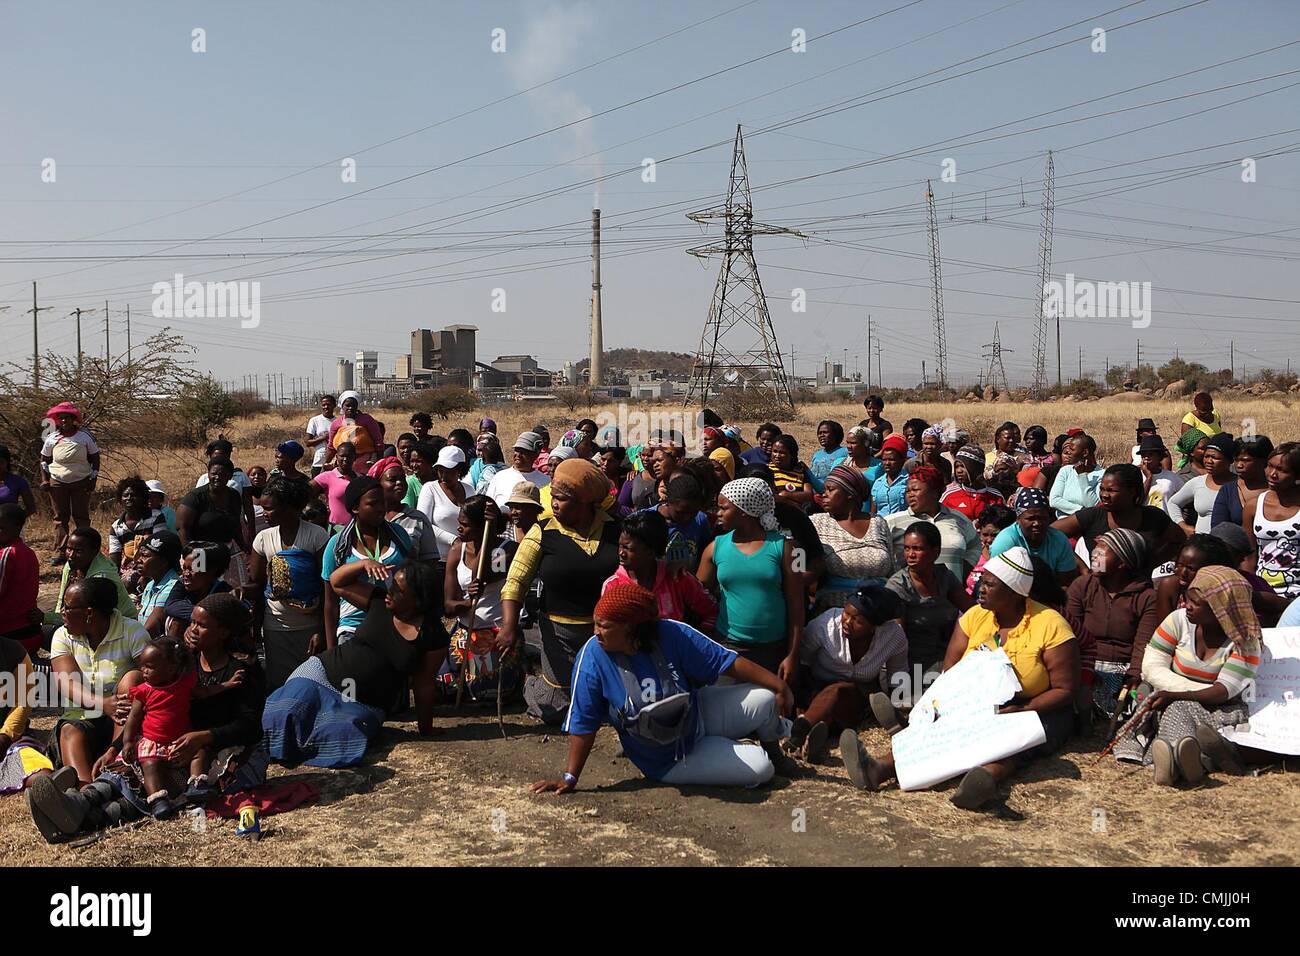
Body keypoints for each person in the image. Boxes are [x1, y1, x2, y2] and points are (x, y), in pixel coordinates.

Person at [842, 547, 1079, 810]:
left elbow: (1064, 689)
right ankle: (880, 768)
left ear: (1013, 592)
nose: (980, 588)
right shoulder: (975, 617)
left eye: (989, 584)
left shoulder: (1050, 624)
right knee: (945, 726)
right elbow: (951, 670)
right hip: (977, 697)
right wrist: (951, 706)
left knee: (1013, 737)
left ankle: (986, 779)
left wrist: (1023, 708)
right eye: (981, 582)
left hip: (1037, 705)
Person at [533, 580, 801, 793]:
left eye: (604, 626)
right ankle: (737, 749)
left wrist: (780, 686)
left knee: (765, 698)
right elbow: (584, 723)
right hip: (669, 756)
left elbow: (727, 662)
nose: (595, 632)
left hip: (696, 716)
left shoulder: (671, 632)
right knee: (760, 769)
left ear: (630, 628)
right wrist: (570, 777)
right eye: (596, 624)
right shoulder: (592, 657)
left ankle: (774, 749)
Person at [264, 560, 448, 767]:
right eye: (392, 584)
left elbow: (424, 684)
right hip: (322, 673)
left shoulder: (433, 635)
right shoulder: (378, 601)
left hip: (359, 699)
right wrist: (364, 564)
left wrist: (426, 729)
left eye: (399, 590)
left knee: (341, 734)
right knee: (286, 711)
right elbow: (337, 582)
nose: (390, 591)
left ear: (418, 600)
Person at [496, 459, 621, 723]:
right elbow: (516, 581)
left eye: (561, 499)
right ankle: (531, 683)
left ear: (584, 501)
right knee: (559, 709)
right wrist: (508, 626)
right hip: (559, 634)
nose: (553, 503)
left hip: (608, 634)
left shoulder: (615, 529)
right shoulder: (542, 532)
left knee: (608, 706)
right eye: (552, 496)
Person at [1114, 567, 1259, 787]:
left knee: (1178, 708)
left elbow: (1223, 691)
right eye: (1187, 598)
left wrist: (1177, 695)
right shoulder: (1178, 620)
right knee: (1158, 700)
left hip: (1220, 707)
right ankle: (1195, 759)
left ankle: (1170, 761)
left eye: (1196, 603)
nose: (1187, 606)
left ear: (1220, 609)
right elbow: (1152, 664)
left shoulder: (1246, 642)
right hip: (1167, 695)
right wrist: (1174, 694)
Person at [697, 477, 804, 682]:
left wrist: (792, 655)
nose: (717, 513)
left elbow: (797, 606)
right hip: (728, 647)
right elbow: (697, 594)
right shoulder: (715, 547)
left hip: (773, 650)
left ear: (744, 510)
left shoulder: (787, 548)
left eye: (724, 508)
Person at [47, 578, 148, 784]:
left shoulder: (132, 632)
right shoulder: (62, 636)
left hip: (125, 726)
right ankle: (84, 792)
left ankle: (115, 762)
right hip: (82, 722)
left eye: (67, 608)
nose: (62, 613)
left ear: (89, 613)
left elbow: (153, 677)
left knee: (134, 678)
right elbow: (67, 684)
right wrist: (103, 704)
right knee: (69, 730)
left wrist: (113, 745)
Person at [790, 585, 908, 761]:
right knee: (830, 697)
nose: (846, 622)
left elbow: (897, 677)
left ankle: (803, 730)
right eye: (846, 614)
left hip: (857, 695)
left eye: (857, 621)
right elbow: (803, 662)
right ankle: (811, 734)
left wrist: (898, 713)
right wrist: (801, 699)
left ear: (874, 627)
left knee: (840, 691)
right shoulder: (825, 625)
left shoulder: (893, 636)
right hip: (816, 689)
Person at [1065, 528, 1158, 720]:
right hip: (1086, 665)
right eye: (1095, 549)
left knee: (1141, 698)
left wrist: (1133, 675)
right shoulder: (1082, 586)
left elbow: (1143, 644)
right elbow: (1070, 635)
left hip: (1124, 669)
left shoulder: (1146, 597)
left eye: (1102, 551)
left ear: (1122, 563)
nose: (1094, 555)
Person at [249, 476, 330, 689]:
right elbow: (256, 585)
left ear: (289, 508)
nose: (264, 513)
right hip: (275, 626)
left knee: (311, 682)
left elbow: (326, 587)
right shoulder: (263, 538)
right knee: (278, 683)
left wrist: (321, 630)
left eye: (269, 508)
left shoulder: (317, 536)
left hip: (309, 625)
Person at [322, 476, 412, 645]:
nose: (381, 509)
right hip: (353, 629)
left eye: (382, 502)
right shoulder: (337, 545)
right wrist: (332, 650)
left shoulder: (399, 535)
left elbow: (413, 578)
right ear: (355, 508)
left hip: (395, 626)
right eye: (373, 504)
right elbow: (330, 603)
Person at [1054, 464, 1185, 573]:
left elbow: (1179, 541)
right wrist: (1082, 568)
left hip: (1139, 592)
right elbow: (1050, 534)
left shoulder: (1153, 517)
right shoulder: (1092, 516)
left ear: (1132, 491)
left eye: (1112, 490)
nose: (1104, 495)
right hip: (1099, 590)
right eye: (1102, 489)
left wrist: (1153, 564)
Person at [603, 510, 718, 633]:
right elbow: (608, 631)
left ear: (650, 551)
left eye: (628, 548)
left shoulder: (677, 577)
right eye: (620, 546)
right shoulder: (613, 586)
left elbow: (712, 611)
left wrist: (695, 642)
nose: (621, 553)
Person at [886, 521, 974, 674]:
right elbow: (897, 638)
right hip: (914, 664)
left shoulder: (944, 576)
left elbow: (973, 611)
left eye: (918, 549)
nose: (910, 555)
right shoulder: (898, 586)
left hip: (949, 655)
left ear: (935, 552)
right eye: (907, 548)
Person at [120, 637, 199, 806]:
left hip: (180, 740)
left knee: (200, 753)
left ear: (171, 669)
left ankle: (197, 784)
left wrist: (227, 684)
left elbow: (202, 686)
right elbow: (133, 718)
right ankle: (157, 799)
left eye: (150, 667)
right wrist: (127, 741)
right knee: (150, 766)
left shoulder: (183, 684)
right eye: (142, 666)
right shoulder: (143, 691)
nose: (144, 671)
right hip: (152, 742)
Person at [809, 464, 894, 614]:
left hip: (877, 612)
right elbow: (802, 567)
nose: (823, 494)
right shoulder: (817, 523)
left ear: (849, 494)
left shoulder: (878, 522)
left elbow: (893, 570)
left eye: (830, 489)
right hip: (833, 612)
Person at [884, 466, 981, 584]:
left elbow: (975, 545)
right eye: (907, 491)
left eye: (915, 490)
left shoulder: (958, 519)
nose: (910, 495)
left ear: (934, 492)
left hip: (952, 597)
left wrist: (962, 570)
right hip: (910, 598)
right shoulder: (891, 522)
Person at [40, 402, 100, 562]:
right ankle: (61, 552)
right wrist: (45, 480)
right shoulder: (52, 437)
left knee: (81, 516)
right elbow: (44, 460)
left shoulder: (84, 436)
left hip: (81, 480)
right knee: (60, 517)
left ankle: (85, 549)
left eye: (67, 418)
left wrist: (93, 477)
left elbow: (95, 457)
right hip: (57, 481)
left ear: (74, 419)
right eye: (61, 419)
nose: (64, 421)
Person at [444, 494, 514, 632]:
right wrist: (468, 602)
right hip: (465, 632)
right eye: (459, 523)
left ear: (482, 527)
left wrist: (489, 532)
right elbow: (448, 607)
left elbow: (481, 576)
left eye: (465, 525)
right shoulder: (457, 551)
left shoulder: (507, 550)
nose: (459, 529)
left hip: (497, 632)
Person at [45, 527, 138, 626]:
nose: (71, 555)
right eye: (69, 549)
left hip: (119, 626)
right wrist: (52, 622)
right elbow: (61, 600)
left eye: (78, 551)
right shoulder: (71, 565)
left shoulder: (102, 577)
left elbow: (90, 617)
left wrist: (46, 618)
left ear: (94, 552)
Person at [991, 488, 1081, 588]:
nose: (1037, 523)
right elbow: (997, 582)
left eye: (1042, 518)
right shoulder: (1005, 541)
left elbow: (1066, 581)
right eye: (1030, 518)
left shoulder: (1059, 540)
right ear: (1018, 519)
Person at [1244, 442, 1300, 602]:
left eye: (1282, 470)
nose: (1272, 474)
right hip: (1263, 593)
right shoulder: (1253, 506)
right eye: (1270, 466)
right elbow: (1249, 555)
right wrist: (1253, 588)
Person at [1166, 432, 1235, 533]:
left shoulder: (1239, 484)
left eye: (1215, 458)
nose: (1209, 461)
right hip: (1202, 544)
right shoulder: (1197, 483)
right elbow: (1173, 503)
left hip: (1230, 545)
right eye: (1207, 456)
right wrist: (1183, 526)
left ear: (1229, 460)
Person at [163, 542, 234, 639]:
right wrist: (201, 615)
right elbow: (170, 606)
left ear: (211, 571)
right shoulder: (181, 585)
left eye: (192, 569)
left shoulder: (223, 592)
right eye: (184, 569)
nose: (186, 574)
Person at [416, 445, 474, 563]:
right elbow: (424, 524)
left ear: (460, 470)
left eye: (448, 472)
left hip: (465, 558)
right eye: (440, 471)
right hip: (438, 560)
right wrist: (453, 540)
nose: (443, 476)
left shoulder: (469, 490)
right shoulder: (430, 489)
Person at [376, 458, 439, 564]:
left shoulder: (418, 519)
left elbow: (430, 563)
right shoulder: (370, 518)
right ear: (378, 484)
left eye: (402, 479)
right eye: (392, 479)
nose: (399, 483)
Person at [646, 473, 712, 573]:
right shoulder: (646, 520)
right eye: (681, 512)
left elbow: (705, 557)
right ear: (668, 501)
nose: (687, 517)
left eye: (693, 512)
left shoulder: (700, 520)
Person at [178, 455, 248, 550]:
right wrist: (192, 556)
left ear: (230, 476)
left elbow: (235, 526)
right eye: (213, 474)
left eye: (222, 474)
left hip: (225, 551)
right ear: (208, 474)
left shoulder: (234, 496)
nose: (217, 477)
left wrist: (244, 547)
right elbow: (182, 529)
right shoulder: (194, 497)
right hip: (199, 553)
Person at [0, 503, 41, 653]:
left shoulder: (8, 554)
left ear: (18, 528)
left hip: (10, 634)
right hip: (28, 629)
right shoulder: (28, 552)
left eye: (2, 528)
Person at [108, 477, 166, 580]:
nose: (129, 498)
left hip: (154, 568)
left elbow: (159, 549)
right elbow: (114, 560)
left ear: (143, 497)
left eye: (133, 495)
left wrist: (144, 574)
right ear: (120, 499)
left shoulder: (156, 517)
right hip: (129, 572)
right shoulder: (116, 527)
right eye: (125, 495)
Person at [1212, 435, 1273, 530]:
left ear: (1264, 461)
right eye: (1236, 460)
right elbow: (1218, 528)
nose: (1239, 465)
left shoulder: (1279, 489)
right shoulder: (1228, 490)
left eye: (1246, 460)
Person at [134, 530, 182, 638]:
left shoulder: (172, 587)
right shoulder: (150, 585)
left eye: (145, 556)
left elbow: (150, 629)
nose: (138, 560)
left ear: (163, 562)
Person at [484, 431, 551, 508]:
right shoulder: (500, 477)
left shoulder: (545, 482)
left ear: (536, 454)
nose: (518, 455)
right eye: (516, 450)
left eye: (524, 451)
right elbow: (488, 506)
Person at [941, 444, 1004, 522]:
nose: (959, 471)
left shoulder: (996, 497)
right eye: (957, 466)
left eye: (963, 466)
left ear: (977, 468)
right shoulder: (948, 495)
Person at [1049, 433, 1104, 517]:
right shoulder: (1066, 471)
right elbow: (1054, 500)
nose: (1068, 452)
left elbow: (1092, 504)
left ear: (1085, 453)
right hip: (1064, 521)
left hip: (1088, 522)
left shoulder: (1102, 474)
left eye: (1072, 449)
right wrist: (1081, 511)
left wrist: (1082, 476)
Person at [969, 504, 1017, 596]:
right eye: (985, 534)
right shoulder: (972, 553)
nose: (989, 540)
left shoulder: (1014, 559)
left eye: (995, 535)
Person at [310, 441, 360, 529]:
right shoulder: (328, 476)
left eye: (348, 456)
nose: (345, 459)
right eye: (342, 456)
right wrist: (318, 508)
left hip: (357, 528)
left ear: (355, 457)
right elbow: (305, 491)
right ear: (336, 457)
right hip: (335, 528)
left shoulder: (360, 478)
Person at [327, 390, 383, 465]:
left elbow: (378, 442)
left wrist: (379, 464)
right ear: (342, 406)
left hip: (365, 463)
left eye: (353, 405)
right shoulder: (336, 424)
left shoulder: (367, 420)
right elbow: (331, 447)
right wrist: (325, 466)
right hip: (343, 463)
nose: (350, 408)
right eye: (347, 405)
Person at [1136, 434, 1183, 512]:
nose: (1146, 458)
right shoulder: (1137, 476)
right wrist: (1148, 478)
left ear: (1159, 457)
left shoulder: (1171, 477)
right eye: (1144, 455)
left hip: (1165, 521)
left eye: (1150, 454)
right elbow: (1137, 502)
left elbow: (1184, 499)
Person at [767, 435, 814, 511]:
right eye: (775, 451)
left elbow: (809, 495)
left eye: (782, 453)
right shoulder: (767, 470)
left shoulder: (800, 472)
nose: (777, 456)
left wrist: (787, 495)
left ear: (791, 455)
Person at [871, 435, 910, 517]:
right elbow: (873, 513)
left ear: (902, 460)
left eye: (892, 459)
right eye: (884, 459)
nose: (887, 463)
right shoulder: (878, 483)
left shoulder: (909, 481)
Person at [808, 420, 849, 493]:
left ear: (835, 435)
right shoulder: (817, 455)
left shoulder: (845, 452)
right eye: (819, 433)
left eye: (825, 432)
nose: (821, 435)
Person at [304, 394, 337, 477]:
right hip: (319, 462)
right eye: (323, 405)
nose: (326, 407)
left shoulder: (338, 422)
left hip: (334, 462)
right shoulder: (315, 421)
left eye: (328, 404)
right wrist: (323, 438)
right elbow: (307, 442)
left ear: (334, 405)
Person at [0, 444, 37, 514]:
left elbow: (31, 508)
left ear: (7, 463)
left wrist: (16, 519)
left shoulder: (18, 482)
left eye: (1, 462)